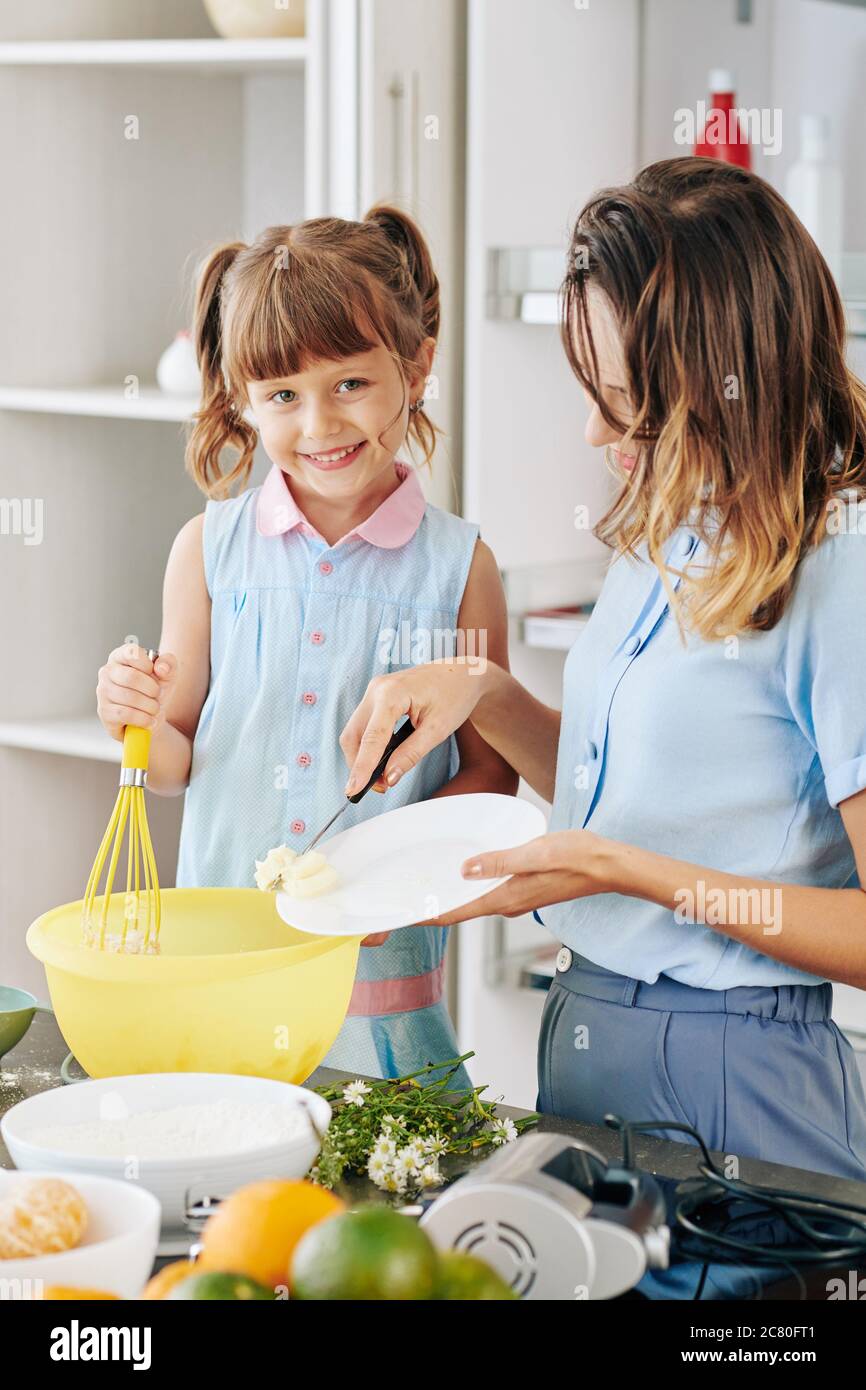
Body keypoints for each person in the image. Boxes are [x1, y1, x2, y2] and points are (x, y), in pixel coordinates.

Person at [341, 158, 866, 1182]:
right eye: (594, 391)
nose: (595, 430)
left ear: (729, 379)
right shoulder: (666, 524)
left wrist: (631, 875)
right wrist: (484, 693)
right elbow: (622, 804)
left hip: (736, 1070)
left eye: (625, 399)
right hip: (586, 1032)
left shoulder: (837, 571)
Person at [95, 206, 516, 1087]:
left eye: (350, 383)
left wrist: (395, 873)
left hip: (379, 1005)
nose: (320, 424)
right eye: (283, 396)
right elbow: (173, 762)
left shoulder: (461, 567)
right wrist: (133, 719)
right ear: (241, 401)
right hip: (219, 991)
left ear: (416, 369)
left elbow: (492, 775)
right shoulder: (206, 552)